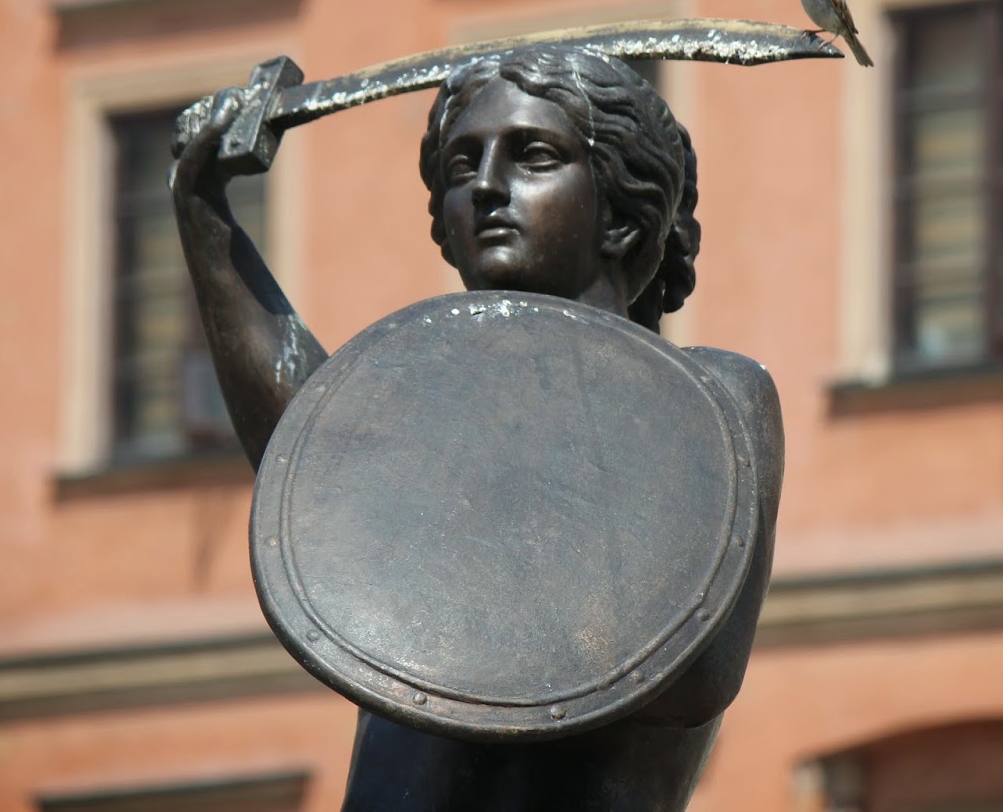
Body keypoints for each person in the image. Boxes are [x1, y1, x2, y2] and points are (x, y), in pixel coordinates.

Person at [171, 44, 784, 811]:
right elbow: (309, 462)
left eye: (532, 156)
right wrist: (203, 211)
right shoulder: (422, 409)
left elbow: (695, 672)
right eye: (462, 167)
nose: (487, 187)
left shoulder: (714, 398)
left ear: (624, 215)